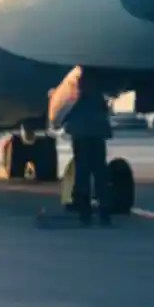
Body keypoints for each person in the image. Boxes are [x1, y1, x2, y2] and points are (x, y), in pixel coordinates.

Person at [61, 69, 114, 225]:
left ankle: (85, 211)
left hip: (82, 137)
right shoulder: (97, 99)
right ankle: (103, 211)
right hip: (96, 137)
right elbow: (104, 114)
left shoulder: (77, 99)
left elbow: (67, 117)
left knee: (83, 174)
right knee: (99, 174)